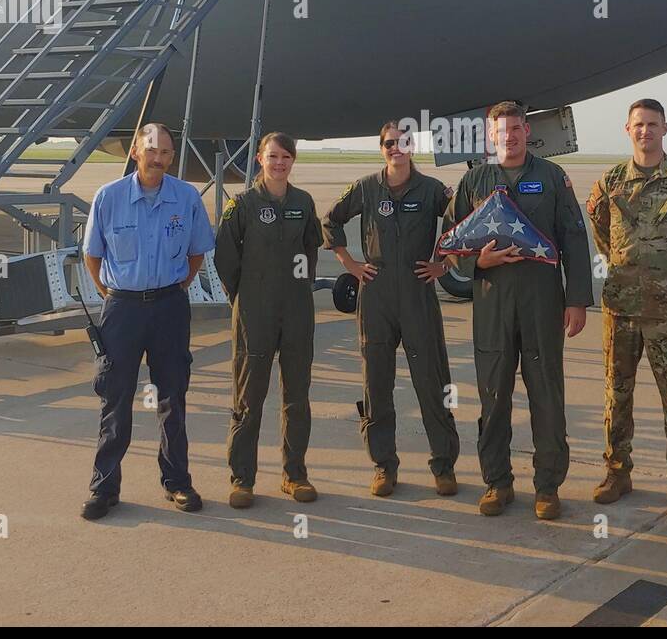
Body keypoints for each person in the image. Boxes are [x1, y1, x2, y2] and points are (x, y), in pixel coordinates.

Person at [446, 102, 592, 520]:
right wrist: (478, 264)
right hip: (492, 302)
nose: (507, 137)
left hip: (541, 302)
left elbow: (574, 237)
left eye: (514, 129)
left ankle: (547, 487)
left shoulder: (551, 178)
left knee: (547, 395)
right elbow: (451, 242)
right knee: (493, 397)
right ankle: (498, 482)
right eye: (500, 131)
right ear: (490, 136)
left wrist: (576, 299)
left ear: (527, 131)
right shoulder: (474, 180)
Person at [586, 98, 667, 514]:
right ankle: (617, 471)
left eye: (653, 124)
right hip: (620, 308)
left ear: (665, 128)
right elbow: (602, 234)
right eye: (639, 124)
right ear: (628, 130)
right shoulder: (609, 182)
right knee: (616, 394)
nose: (646, 131)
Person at [80, 122, 215, 520]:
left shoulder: (186, 198)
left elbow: (196, 254)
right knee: (115, 398)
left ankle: (178, 482)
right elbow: (93, 255)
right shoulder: (109, 197)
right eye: (152, 150)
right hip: (122, 309)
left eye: (167, 153)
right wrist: (115, 296)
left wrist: (171, 290)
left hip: (169, 307)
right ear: (136, 151)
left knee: (172, 397)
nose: (159, 158)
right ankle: (104, 488)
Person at [322, 121, 460, 497]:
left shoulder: (431, 189)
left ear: (412, 146)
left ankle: (443, 464)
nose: (395, 149)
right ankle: (384, 465)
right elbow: (331, 219)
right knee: (377, 381)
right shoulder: (367, 188)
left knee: (431, 379)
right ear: (381, 147)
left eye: (402, 143)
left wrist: (443, 264)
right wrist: (349, 264)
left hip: (418, 291)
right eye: (388, 143)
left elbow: (461, 221)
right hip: (376, 292)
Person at [214, 132, 323, 507]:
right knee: (249, 396)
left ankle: (295, 475)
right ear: (260, 159)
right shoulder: (242, 204)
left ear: (293, 161)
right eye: (273, 156)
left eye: (286, 157)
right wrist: (243, 296)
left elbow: (310, 248)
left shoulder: (303, 203)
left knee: (297, 396)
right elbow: (225, 258)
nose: (279, 163)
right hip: (254, 313)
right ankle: (242, 478)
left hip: (296, 311)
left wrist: (297, 287)